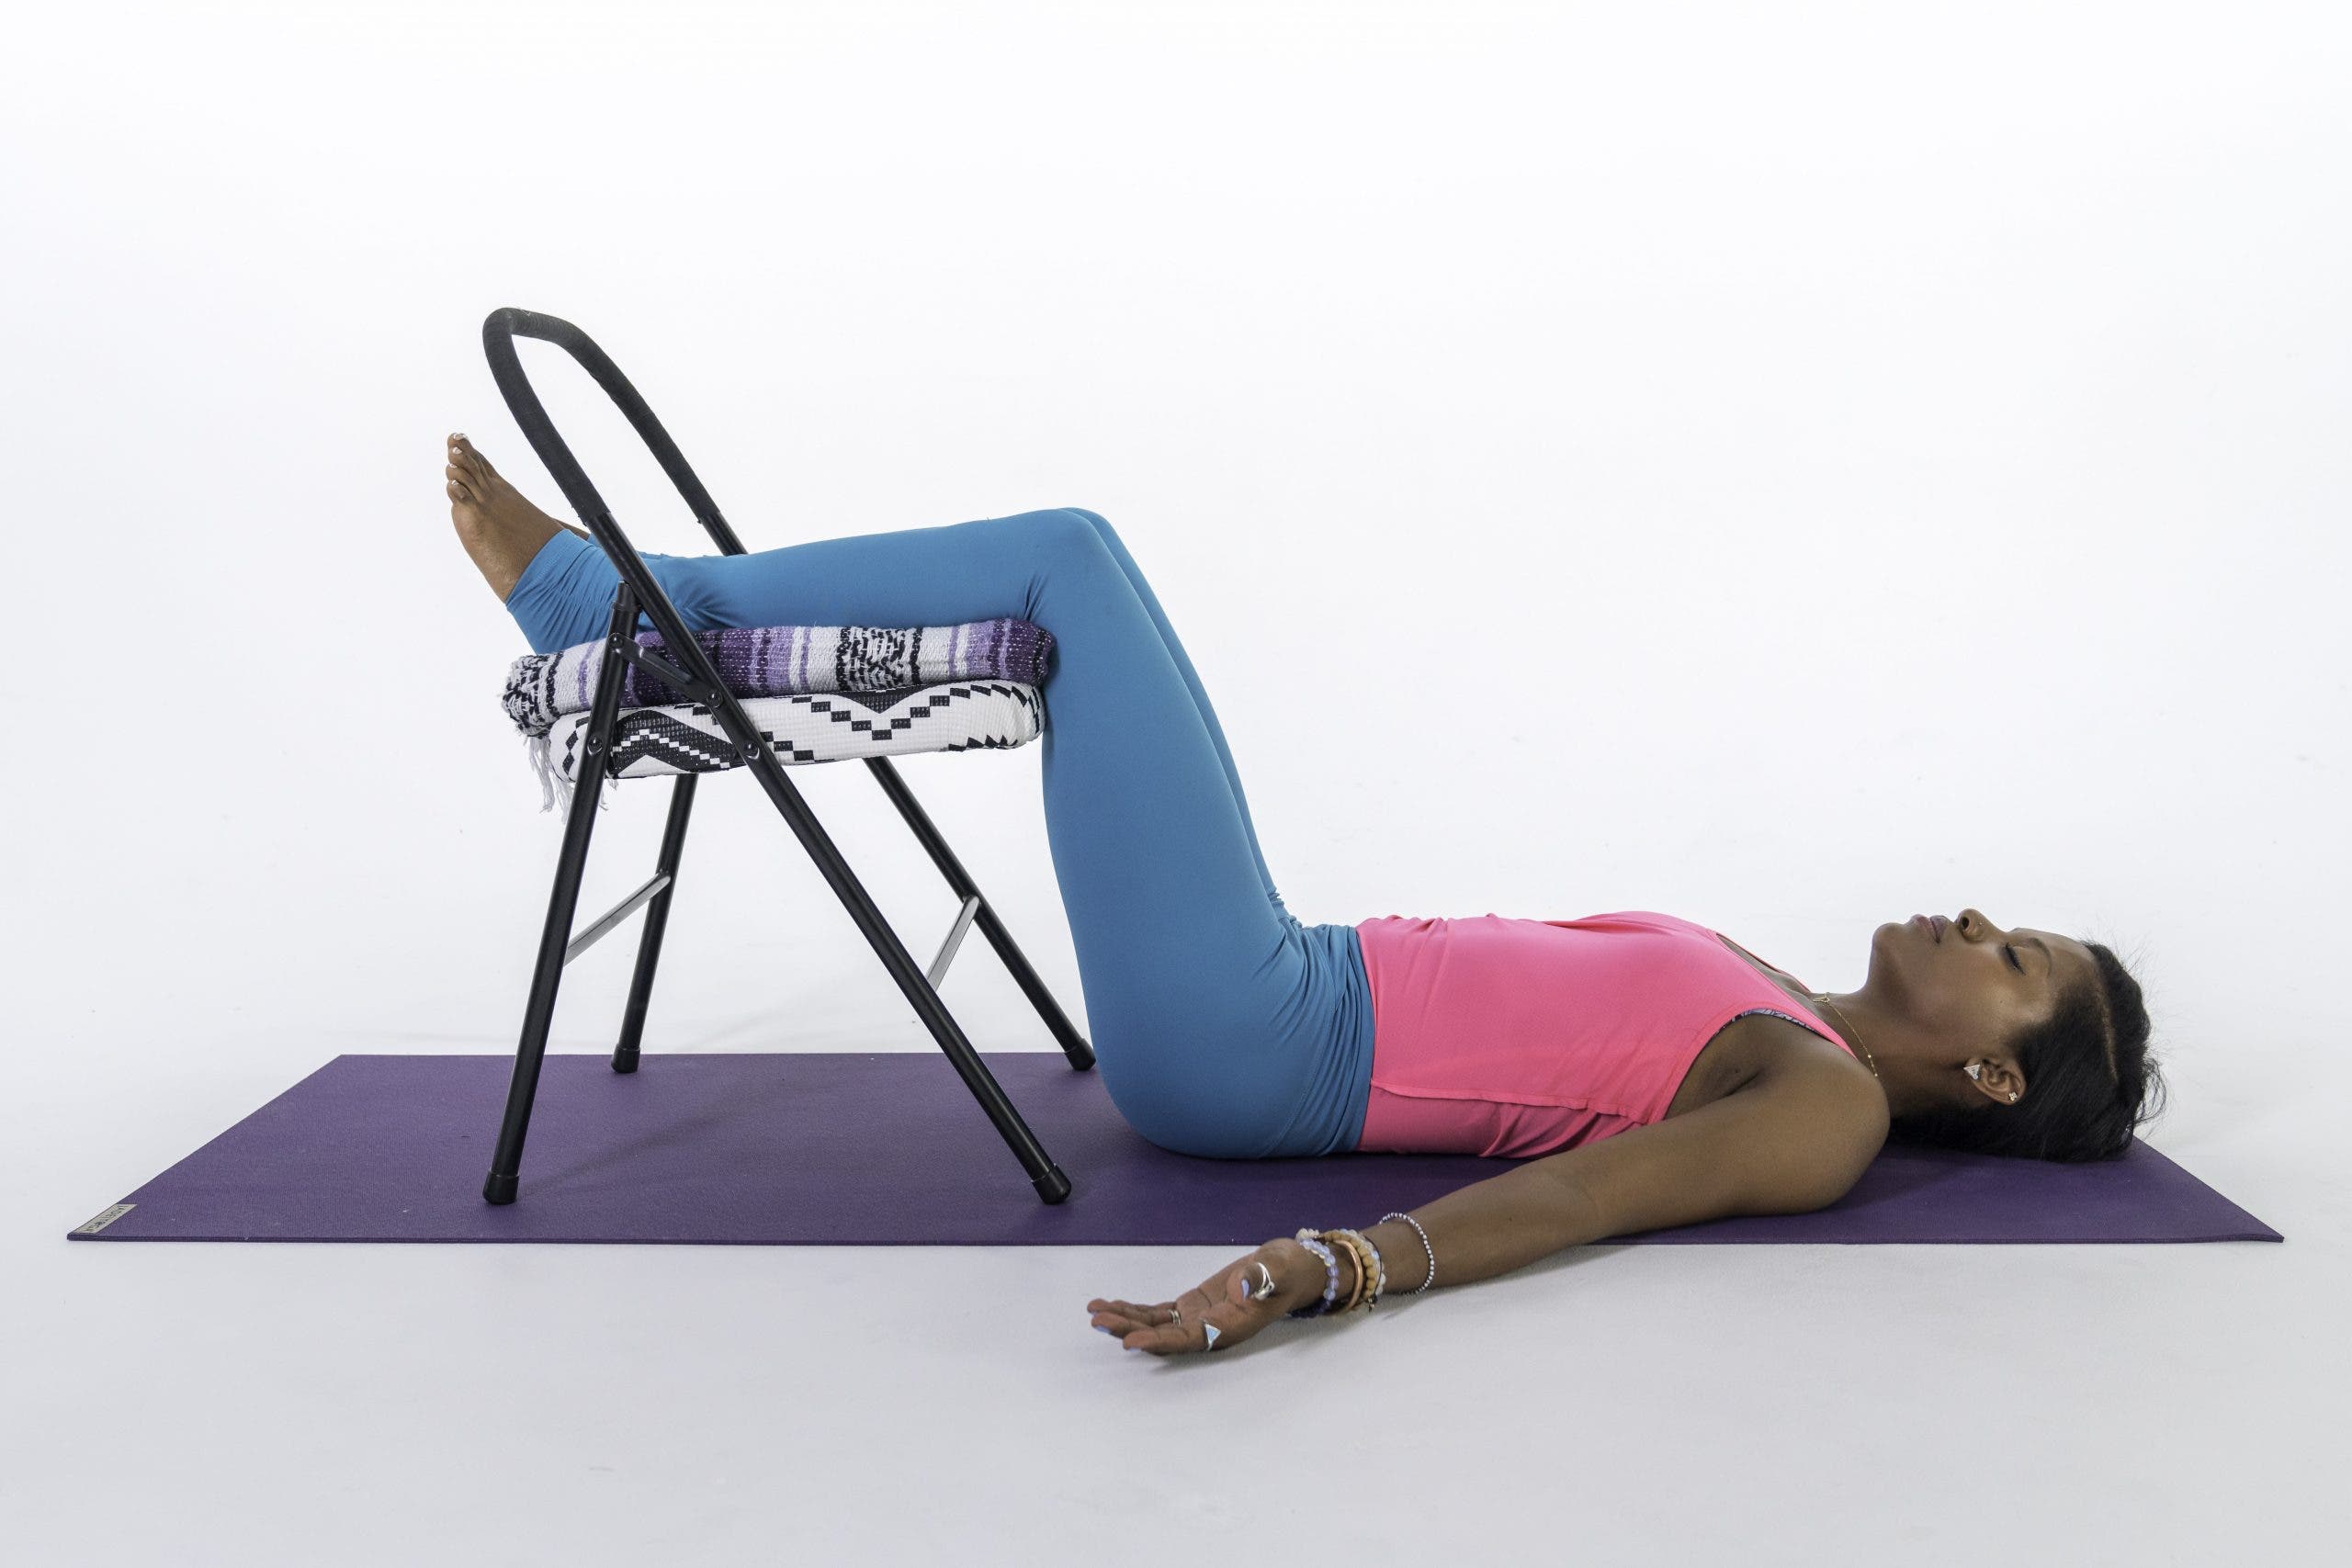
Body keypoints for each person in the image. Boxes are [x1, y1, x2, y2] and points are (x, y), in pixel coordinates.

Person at [444, 434, 2168, 1358]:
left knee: (1073, 556)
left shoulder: (1826, 1106)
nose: (1968, 917)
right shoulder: (1782, 1004)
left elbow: (1587, 1202)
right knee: (1078, 578)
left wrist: (1312, 1274)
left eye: (2010, 958)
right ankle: (645, 606)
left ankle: (624, 607)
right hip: (1279, 975)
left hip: (1251, 1043)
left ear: (2003, 1072)